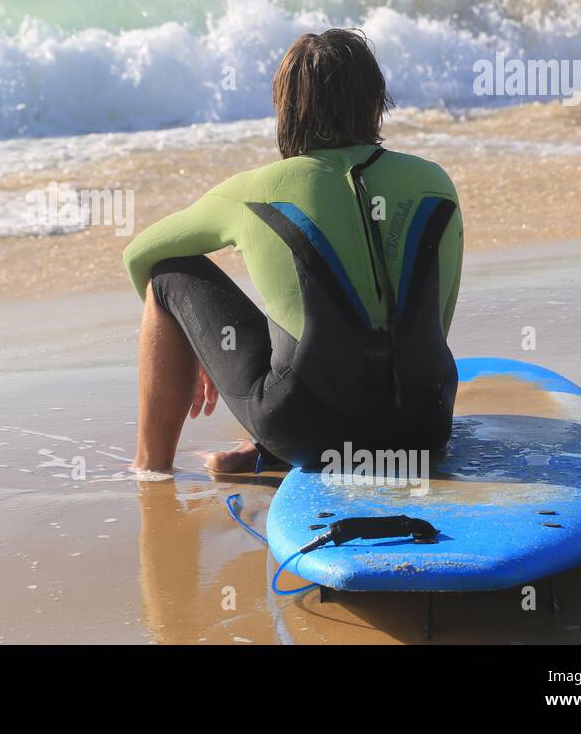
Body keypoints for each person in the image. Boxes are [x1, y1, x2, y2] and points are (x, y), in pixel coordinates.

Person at [122, 29, 463, 474]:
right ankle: (264, 447)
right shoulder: (435, 183)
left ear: (287, 109)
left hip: (308, 430)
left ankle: (151, 469)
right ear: (376, 99)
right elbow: (438, 321)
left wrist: (193, 342)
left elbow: (141, 255)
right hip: (425, 426)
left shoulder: (256, 190)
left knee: (169, 274)